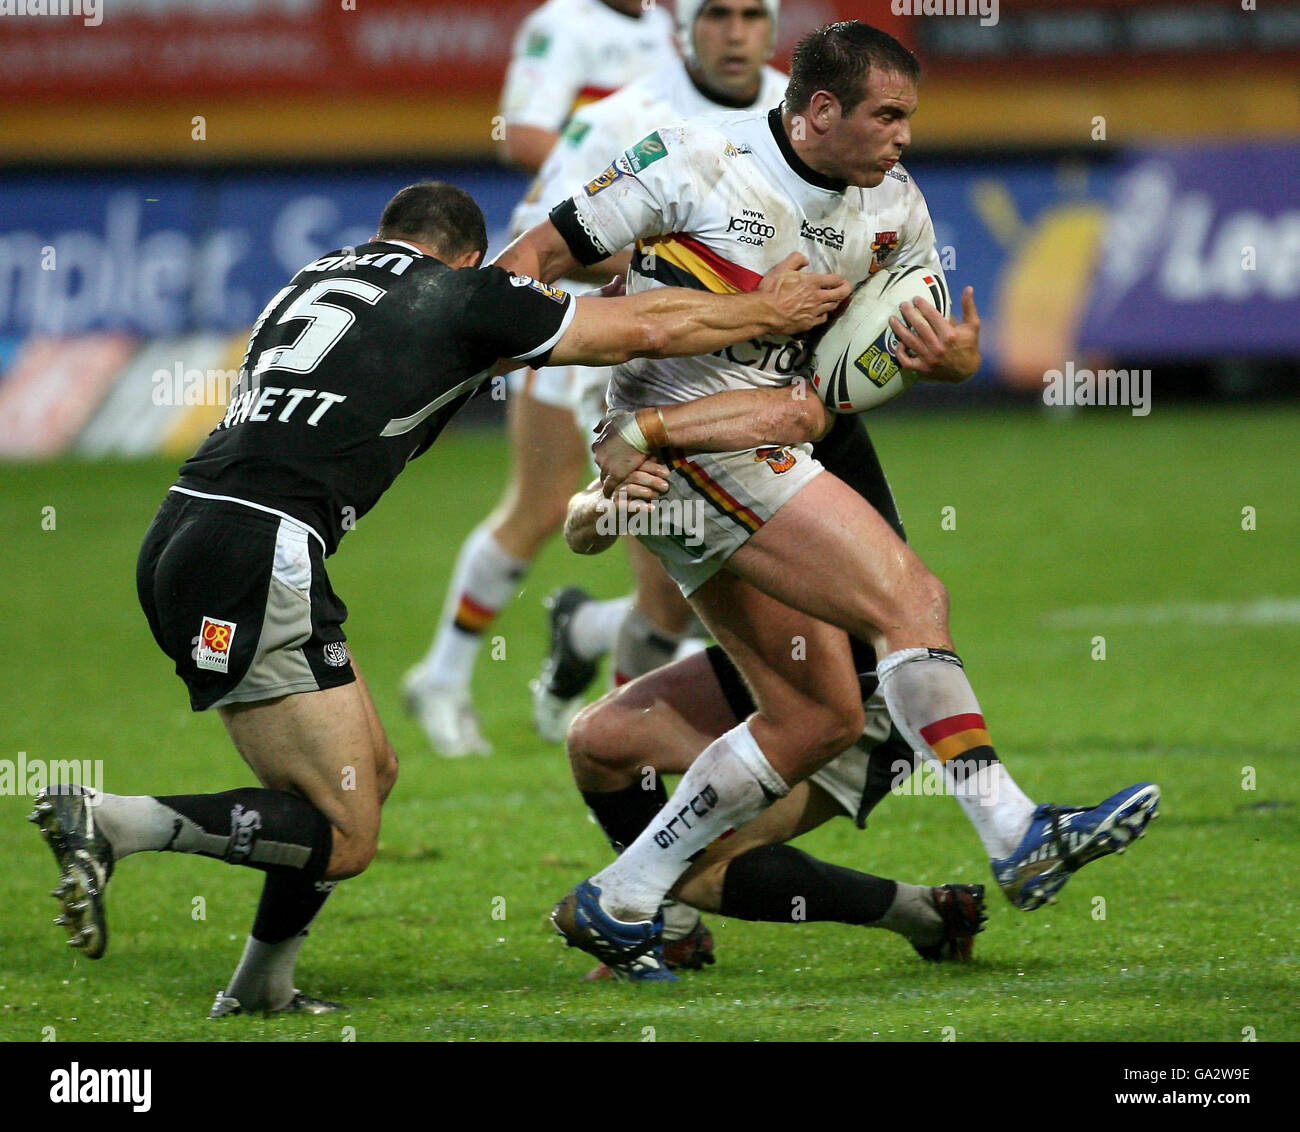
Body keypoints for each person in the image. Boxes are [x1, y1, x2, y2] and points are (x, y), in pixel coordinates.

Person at [27, 181, 849, 1015]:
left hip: (185, 530)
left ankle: (262, 988)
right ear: (465, 254)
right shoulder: (465, 292)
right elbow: (641, 328)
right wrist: (765, 310)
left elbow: (414, 366)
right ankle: (116, 822)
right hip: (260, 549)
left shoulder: (315, 278)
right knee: (346, 835)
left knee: (367, 775)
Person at [493, 21, 1160, 980]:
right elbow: (531, 264)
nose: (903, 136)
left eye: (909, 117)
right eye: (886, 116)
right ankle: (1014, 828)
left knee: (814, 717)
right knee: (910, 600)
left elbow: (899, 325)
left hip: (747, 441)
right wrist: (576, 381)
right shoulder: (693, 163)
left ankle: (625, 895)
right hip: (690, 439)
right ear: (818, 112)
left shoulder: (891, 202)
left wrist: (952, 362)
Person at [560, 404, 989, 981]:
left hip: (865, 692)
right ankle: (662, 923)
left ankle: (925, 914)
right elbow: (579, 528)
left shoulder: (781, 407)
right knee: (598, 740)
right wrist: (605, 507)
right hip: (771, 666)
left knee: (691, 867)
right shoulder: (678, 401)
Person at [401, 0, 677, 756]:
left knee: (673, 516)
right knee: (549, 500)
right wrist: (626, 190)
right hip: (578, 307)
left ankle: (590, 636)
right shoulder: (570, 29)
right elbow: (525, 135)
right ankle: (446, 676)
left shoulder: (689, 31)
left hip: (667, 318)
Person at [519, 0, 791, 744]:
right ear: (682, 25)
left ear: (774, 25)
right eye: (715, 15)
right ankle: (622, 756)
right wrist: (688, 256)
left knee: (725, 582)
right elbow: (538, 235)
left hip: (755, 375)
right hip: (631, 374)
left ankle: (586, 637)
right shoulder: (620, 118)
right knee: (679, 590)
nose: (734, 34)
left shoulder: (801, 117)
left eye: (750, 16)